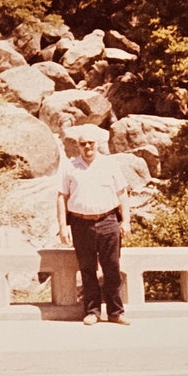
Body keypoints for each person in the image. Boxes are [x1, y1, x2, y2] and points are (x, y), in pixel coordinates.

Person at [56, 123, 132, 326]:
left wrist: (126, 221)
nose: (87, 146)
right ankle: (92, 312)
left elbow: (122, 193)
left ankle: (116, 312)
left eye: (90, 143)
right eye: (83, 144)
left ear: (97, 143)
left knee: (112, 268)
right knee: (87, 269)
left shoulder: (110, 164)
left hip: (108, 221)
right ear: (77, 145)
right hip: (81, 224)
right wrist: (63, 226)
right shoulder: (69, 167)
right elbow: (62, 197)